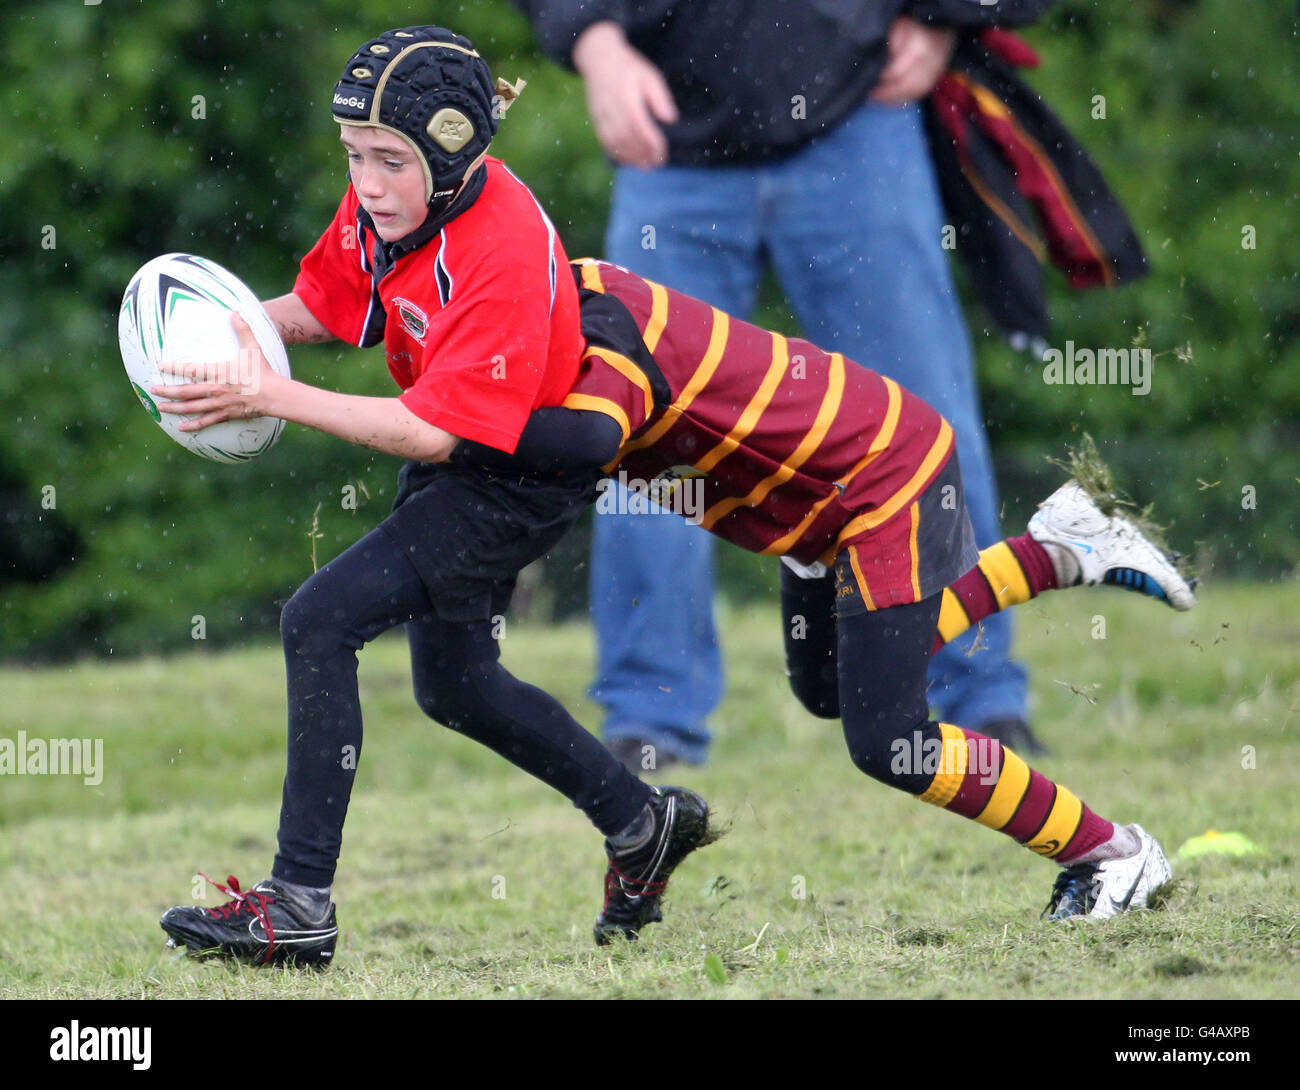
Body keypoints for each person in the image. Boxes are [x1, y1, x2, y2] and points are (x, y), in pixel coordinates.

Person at [153, 27, 712, 967]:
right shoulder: (392, 201)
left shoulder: (499, 244)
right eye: (354, 157)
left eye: (389, 162)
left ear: (451, 159)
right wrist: (219, 340)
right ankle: (640, 822)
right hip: (463, 458)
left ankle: (298, 908)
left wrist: (267, 394)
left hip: (516, 478)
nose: (367, 183)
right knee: (457, 687)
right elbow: (324, 311)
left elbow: (430, 431)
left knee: (318, 620)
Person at [459, 255, 1194, 921]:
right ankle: (1055, 551)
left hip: (879, 480)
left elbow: (525, 454)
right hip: (813, 510)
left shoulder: (590, 352)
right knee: (832, 689)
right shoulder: (550, 317)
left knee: (890, 740)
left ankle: (1113, 855)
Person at [515, 0, 1057, 770]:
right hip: (668, 134)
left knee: (929, 426)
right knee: (639, 441)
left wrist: (945, 20)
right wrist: (595, 42)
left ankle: (980, 699)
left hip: (860, 118)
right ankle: (650, 718)